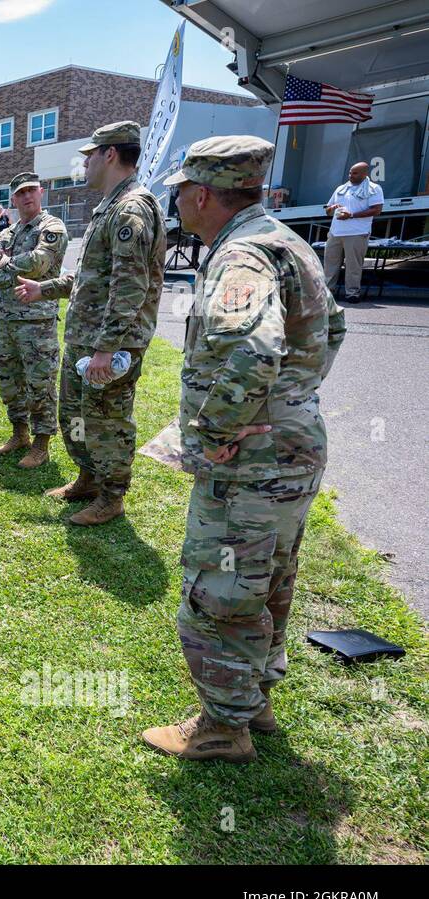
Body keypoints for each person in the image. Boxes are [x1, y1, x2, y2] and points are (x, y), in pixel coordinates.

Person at [141, 136, 347, 762]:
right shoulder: (287, 243)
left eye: (180, 190)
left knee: (220, 590)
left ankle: (222, 727)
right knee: (268, 580)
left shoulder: (243, 257)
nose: (176, 201)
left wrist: (215, 433)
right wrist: (291, 404)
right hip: (291, 449)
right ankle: (253, 701)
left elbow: (251, 349)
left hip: (251, 466)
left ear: (202, 193)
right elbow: (332, 329)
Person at [16, 121, 166, 526]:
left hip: (109, 344)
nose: (86, 164)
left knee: (107, 420)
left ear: (110, 155)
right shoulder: (110, 205)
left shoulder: (131, 209)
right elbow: (90, 281)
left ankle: (111, 497)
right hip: (87, 339)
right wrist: (42, 289)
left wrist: (106, 348)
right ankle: (88, 479)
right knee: (77, 415)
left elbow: (130, 287)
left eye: (90, 155)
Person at [0, 172, 68, 469]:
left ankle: (41, 445)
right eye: (21, 193)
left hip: (37, 324)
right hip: (6, 322)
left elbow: (39, 262)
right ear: (13, 199)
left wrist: (7, 262)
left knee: (40, 383)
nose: (27, 196)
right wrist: (11, 266)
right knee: (10, 380)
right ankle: (19, 434)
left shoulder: (51, 227)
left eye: (31, 190)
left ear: (41, 192)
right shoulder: (5, 234)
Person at [323, 161, 382, 304]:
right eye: (350, 172)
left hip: (357, 232)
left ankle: (352, 293)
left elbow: (377, 210)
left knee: (353, 265)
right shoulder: (342, 188)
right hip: (336, 232)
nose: (351, 175)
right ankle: (327, 294)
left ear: (364, 174)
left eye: (355, 173)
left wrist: (352, 215)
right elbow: (327, 210)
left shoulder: (374, 188)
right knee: (330, 264)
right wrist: (332, 208)